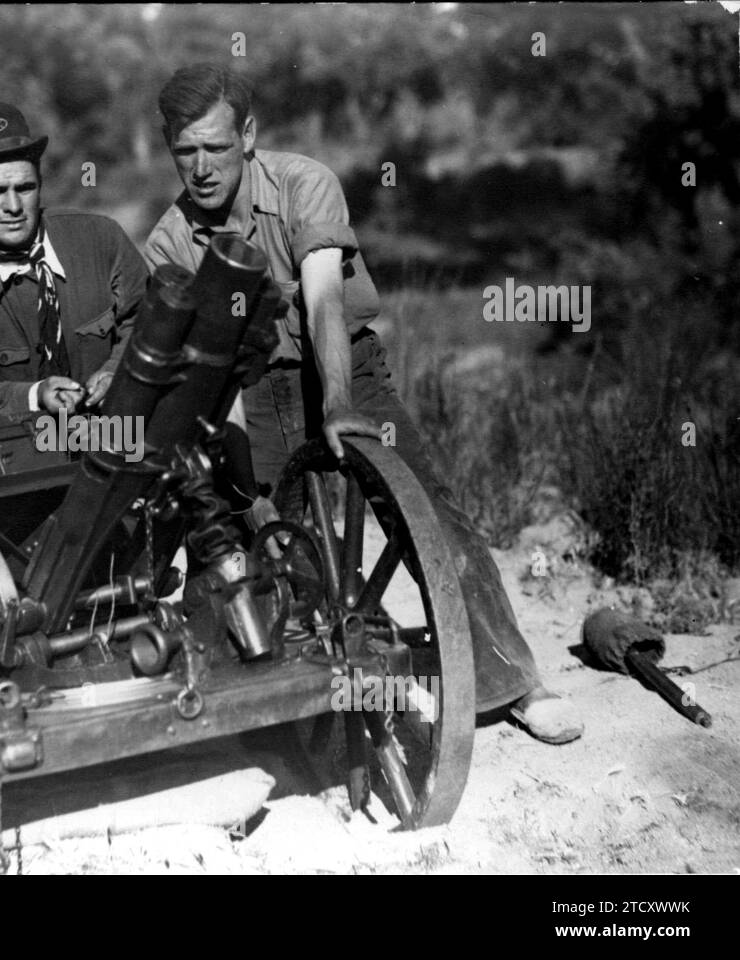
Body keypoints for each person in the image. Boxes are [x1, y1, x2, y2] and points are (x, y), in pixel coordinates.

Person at [144, 64, 582, 744]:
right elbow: (207, 377)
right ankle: (294, 708)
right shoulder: (170, 241)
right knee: (262, 548)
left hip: (342, 365)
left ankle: (510, 680)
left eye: (216, 147)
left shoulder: (303, 183)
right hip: (252, 392)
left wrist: (340, 402)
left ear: (249, 135)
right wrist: (242, 484)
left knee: (427, 513)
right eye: (185, 151)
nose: (201, 167)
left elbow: (323, 301)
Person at [0, 101, 148, 423]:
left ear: (40, 183)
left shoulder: (101, 238)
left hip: (119, 431)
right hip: (26, 453)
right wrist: (35, 396)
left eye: (24, 188)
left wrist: (117, 372)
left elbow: (147, 321)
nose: (13, 206)